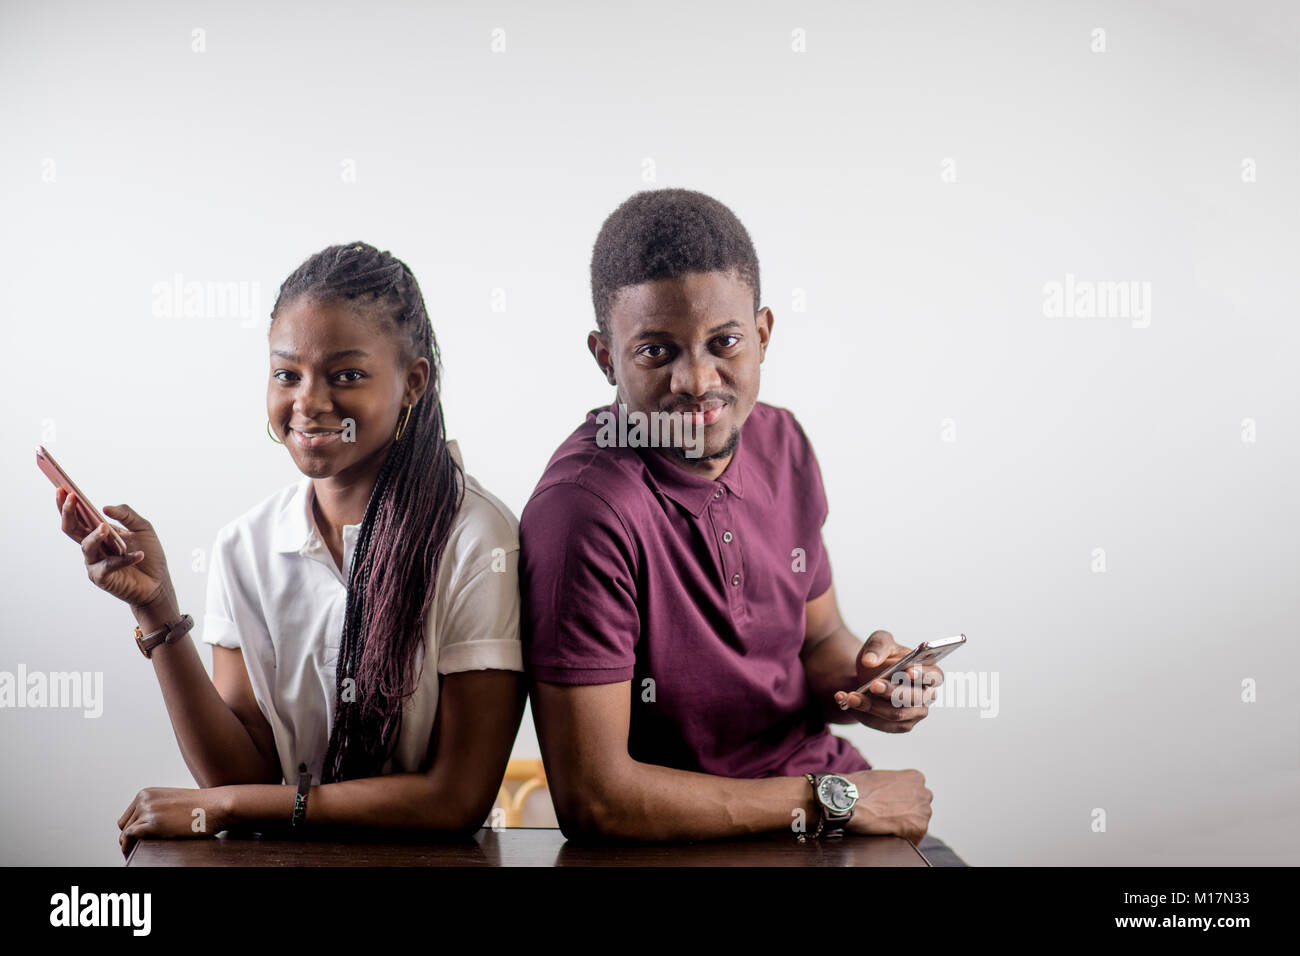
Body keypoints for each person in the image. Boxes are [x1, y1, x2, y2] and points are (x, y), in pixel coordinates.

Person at [519, 189, 967, 865]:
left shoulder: (783, 441)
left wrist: (872, 677)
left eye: (723, 342)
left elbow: (818, 643)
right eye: (655, 351)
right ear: (606, 358)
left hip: (827, 806)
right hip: (689, 841)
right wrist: (833, 799)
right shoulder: (583, 512)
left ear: (761, 334)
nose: (697, 380)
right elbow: (596, 798)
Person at [55, 242, 525, 856]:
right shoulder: (244, 546)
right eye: (287, 374)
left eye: (346, 375)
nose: (309, 401)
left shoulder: (476, 539)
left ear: (413, 382)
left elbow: (456, 798)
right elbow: (239, 775)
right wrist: (156, 608)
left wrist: (226, 808)